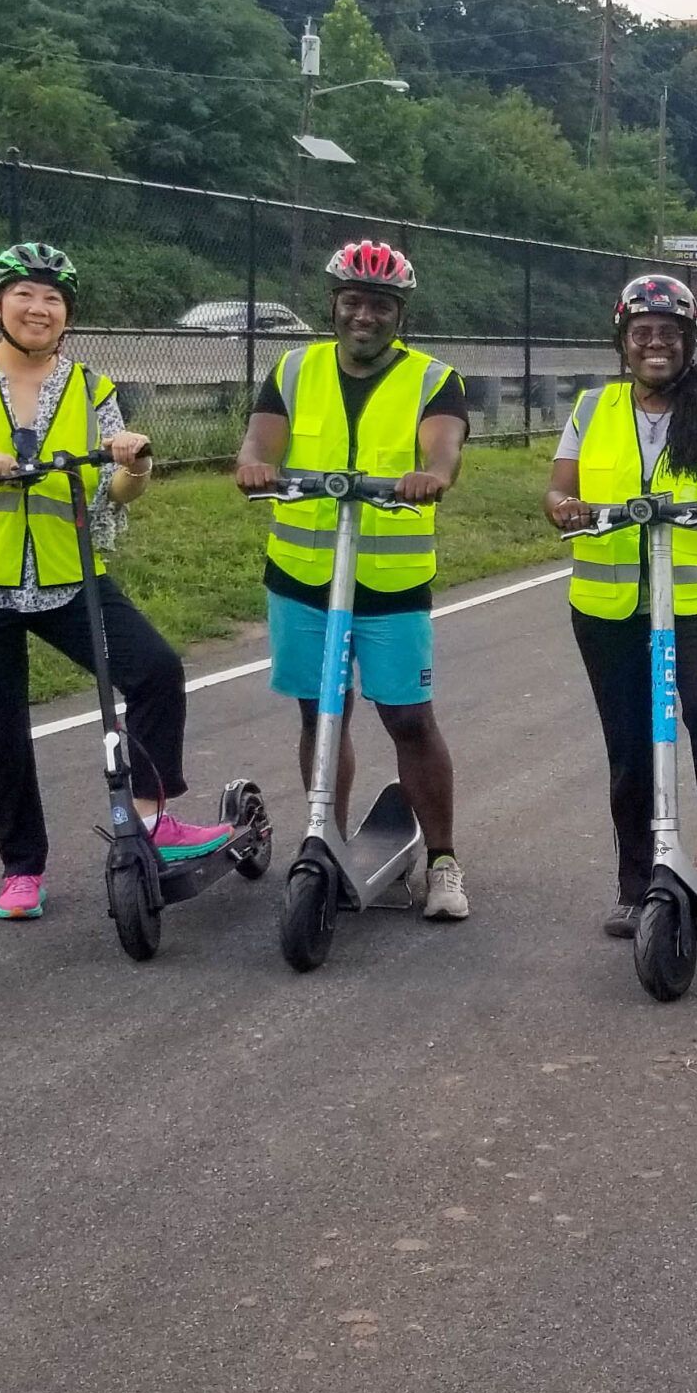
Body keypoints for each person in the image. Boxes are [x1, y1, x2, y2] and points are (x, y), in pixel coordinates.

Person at [0, 243, 234, 921]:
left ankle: (155, 824)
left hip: (69, 575)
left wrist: (136, 462)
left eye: (53, 299)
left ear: (67, 314)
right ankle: (22, 868)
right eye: (25, 295)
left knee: (156, 670)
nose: (39, 308)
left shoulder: (91, 387)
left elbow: (116, 492)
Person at [234, 240, 470, 921]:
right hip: (303, 577)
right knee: (322, 712)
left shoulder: (433, 378)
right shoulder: (294, 367)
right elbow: (261, 441)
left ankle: (444, 861)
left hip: (391, 584)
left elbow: (444, 445)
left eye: (381, 306)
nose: (365, 315)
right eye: (354, 302)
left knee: (407, 719)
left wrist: (432, 475)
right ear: (335, 304)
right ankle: (324, 838)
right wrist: (254, 464)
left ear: (400, 314)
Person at [546, 274, 697, 938]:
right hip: (609, 605)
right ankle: (636, 882)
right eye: (642, 333)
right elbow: (557, 492)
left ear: (688, 341)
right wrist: (568, 508)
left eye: (669, 334)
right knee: (631, 747)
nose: (655, 344)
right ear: (623, 342)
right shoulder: (591, 409)